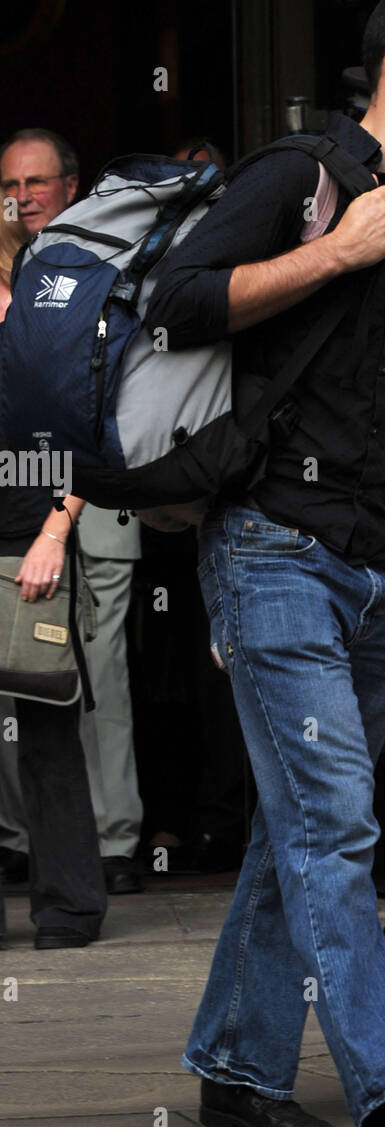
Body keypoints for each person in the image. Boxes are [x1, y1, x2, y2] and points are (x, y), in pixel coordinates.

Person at [145, 0, 385, 1127]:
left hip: (376, 582)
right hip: (272, 547)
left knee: (294, 829)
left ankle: (238, 1066)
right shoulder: (298, 176)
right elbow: (177, 300)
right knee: (336, 823)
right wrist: (332, 253)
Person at [0, 128, 144, 897]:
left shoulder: (100, 255)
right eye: (11, 185)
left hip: (94, 503)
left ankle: (115, 841)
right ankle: (29, 841)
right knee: (18, 682)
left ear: (72, 185)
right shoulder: (9, 275)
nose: (22, 196)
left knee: (99, 681)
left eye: (37, 183)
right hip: (16, 506)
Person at [0, 211, 108, 949]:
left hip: (24, 545)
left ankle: (68, 908)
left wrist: (54, 531)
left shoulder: (36, 327)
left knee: (46, 731)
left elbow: (84, 432)